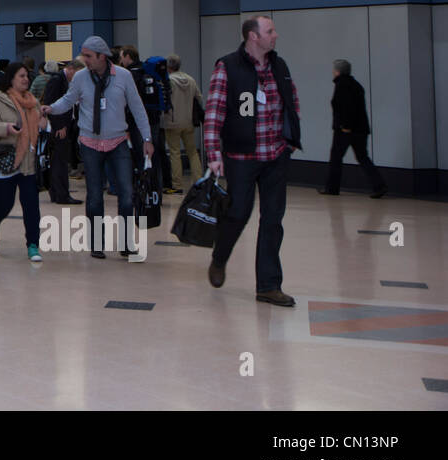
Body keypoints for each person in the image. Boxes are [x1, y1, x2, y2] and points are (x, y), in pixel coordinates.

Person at [203, 16, 301, 306]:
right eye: (270, 31)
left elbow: (291, 101)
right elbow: (214, 112)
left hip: (275, 156)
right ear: (253, 37)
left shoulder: (279, 66)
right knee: (237, 214)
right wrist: (213, 154)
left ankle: (269, 286)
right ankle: (219, 258)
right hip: (241, 157)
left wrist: (291, 139)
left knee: (273, 220)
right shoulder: (228, 67)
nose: (276, 35)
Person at [42, 36, 153, 259]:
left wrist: (147, 138)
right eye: (84, 55)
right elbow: (68, 100)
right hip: (89, 143)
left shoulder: (123, 76)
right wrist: (50, 109)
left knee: (126, 195)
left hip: (118, 141)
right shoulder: (81, 77)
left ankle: (126, 242)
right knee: (94, 196)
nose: (85, 60)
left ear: (102, 57)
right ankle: (96, 243)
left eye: (89, 56)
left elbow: (137, 107)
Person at [0, 65, 48, 259]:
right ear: (11, 79)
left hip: (27, 160)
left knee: (31, 203)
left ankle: (33, 244)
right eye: (21, 76)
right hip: (2, 159)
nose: (26, 79)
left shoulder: (32, 103)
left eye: (27, 76)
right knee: (4, 203)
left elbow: (37, 127)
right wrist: (6, 128)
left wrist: (44, 122)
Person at [322, 59, 385, 198]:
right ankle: (379, 185)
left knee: (336, 157)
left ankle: (332, 188)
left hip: (346, 129)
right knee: (363, 157)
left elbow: (346, 107)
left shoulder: (342, 85)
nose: (332, 71)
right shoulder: (356, 85)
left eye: (334, 69)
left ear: (338, 71)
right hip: (361, 129)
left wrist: (345, 126)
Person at [40, 61, 81, 205]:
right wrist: (60, 126)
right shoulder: (57, 80)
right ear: (70, 69)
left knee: (59, 160)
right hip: (59, 128)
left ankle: (58, 193)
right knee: (60, 162)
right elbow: (50, 103)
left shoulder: (64, 80)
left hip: (64, 126)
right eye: (77, 73)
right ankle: (61, 194)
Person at [163, 54, 203, 192]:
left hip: (172, 122)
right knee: (192, 152)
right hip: (188, 121)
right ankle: (199, 181)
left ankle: (177, 185)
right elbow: (199, 97)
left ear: (168, 66)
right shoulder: (190, 79)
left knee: (175, 152)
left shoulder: (168, 81)